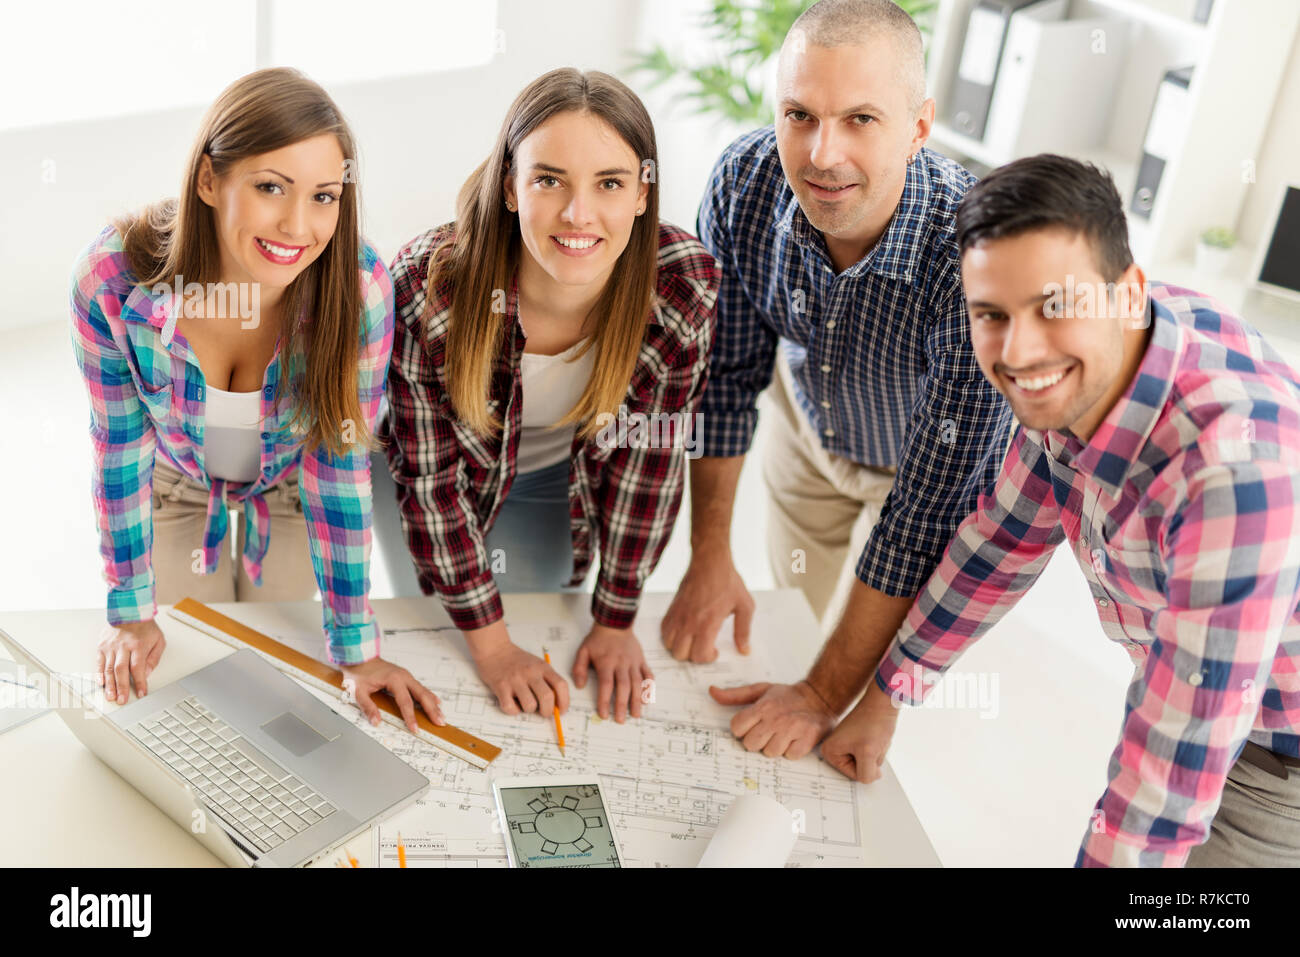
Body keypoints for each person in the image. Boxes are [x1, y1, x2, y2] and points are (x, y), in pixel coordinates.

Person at [813, 154, 1300, 867]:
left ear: (1127, 293)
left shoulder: (1233, 472)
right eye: (992, 315)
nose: (1020, 350)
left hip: (1278, 761)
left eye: (1054, 306)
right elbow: (998, 544)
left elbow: (1161, 797)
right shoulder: (1088, 365)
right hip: (1199, 694)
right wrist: (887, 698)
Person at [663, 0, 1012, 733]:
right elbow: (723, 380)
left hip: (921, 468)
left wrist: (825, 696)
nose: (822, 154)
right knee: (791, 626)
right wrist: (709, 554)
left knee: (851, 691)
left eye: (860, 119)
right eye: (800, 115)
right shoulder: (744, 184)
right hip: (808, 432)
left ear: (919, 125)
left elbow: (924, 516)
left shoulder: (977, 258)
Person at [69, 67, 443, 732]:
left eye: (324, 195)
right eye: (271, 186)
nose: (298, 225)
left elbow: (339, 464)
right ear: (209, 179)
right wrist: (130, 612)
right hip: (177, 483)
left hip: (293, 490)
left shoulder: (360, 291)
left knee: (286, 676)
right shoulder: (111, 281)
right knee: (192, 674)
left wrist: (357, 649)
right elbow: (120, 445)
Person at [384, 68, 720, 724]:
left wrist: (617, 618)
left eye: (610, 183)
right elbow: (431, 487)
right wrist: (492, 650)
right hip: (427, 468)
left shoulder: (683, 285)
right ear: (510, 186)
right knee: (436, 634)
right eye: (549, 179)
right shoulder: (429, 288)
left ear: (643, 194)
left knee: (540, 615)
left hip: (556, 470)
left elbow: (648, 466)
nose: (578, 214)